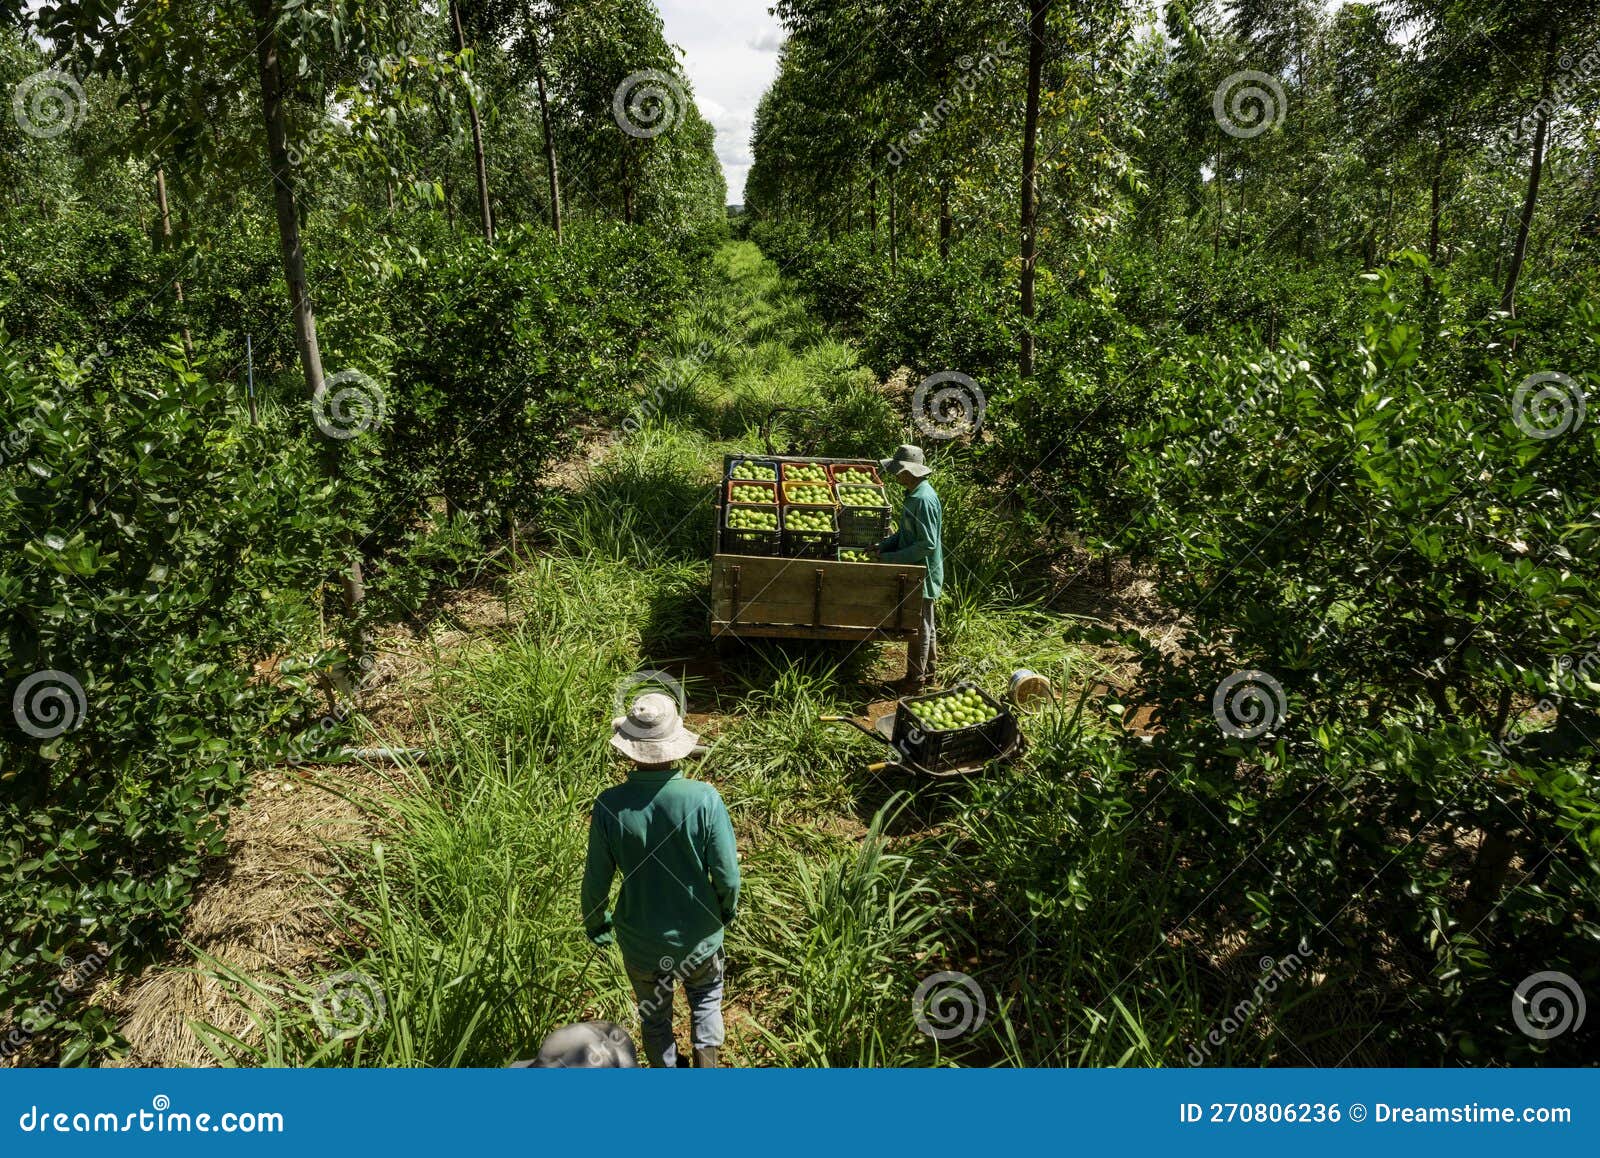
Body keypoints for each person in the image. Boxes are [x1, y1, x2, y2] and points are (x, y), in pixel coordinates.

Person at [581, 692, 741, 1068]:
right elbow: (727, 874)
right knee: (705, 999)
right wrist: (724, 910)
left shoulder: (609, 805)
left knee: (654, 1018)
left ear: (629, 750)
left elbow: (596, 879)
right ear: (677, 746)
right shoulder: (704, 798)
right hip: (699, 936)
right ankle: (707, 1068)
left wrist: (596, 921)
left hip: (641, 943)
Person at [876, 443, 944, 690]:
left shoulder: (923, 500)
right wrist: (883, 546)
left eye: (899, 471)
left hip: (922, 571)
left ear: (911, 471)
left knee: (919, 627)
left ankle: (915, 681)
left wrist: (890, 560)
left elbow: (926, 545)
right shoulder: (914, 495)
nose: (896, 475)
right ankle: (929, 672)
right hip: (917, 568)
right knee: (926, 623)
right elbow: (906, 535)